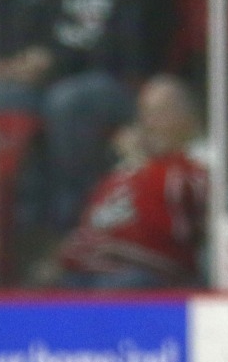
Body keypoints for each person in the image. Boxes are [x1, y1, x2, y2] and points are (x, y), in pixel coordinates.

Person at [11, 0, 179, 229]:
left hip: (130, 86)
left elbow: (129, 51)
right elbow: (63, 32)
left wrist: (57, 62)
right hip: (72, 75)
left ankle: (81, 207)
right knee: (8, 96)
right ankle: (27, 218)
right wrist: (39, 58)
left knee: (67, 100)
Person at [52, 75, 207, 289]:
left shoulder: (199, 162)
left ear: (188, 116)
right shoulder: (127, 169)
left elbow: (188, 225)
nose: (149, 123)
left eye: (161, 112)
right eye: (145, 113)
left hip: (142, 274)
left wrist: (144, 164)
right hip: (87, 271)